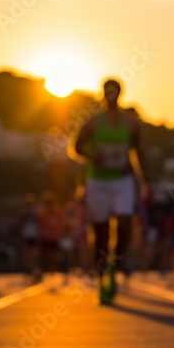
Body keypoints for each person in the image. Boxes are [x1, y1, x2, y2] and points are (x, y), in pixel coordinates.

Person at [71, 79, 152, 305]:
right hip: (98, 181)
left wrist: (145, 180)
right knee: (101, 233)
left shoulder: (131, 124)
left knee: (125, 224)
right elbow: (76, 147)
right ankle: (101, 279)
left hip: (122, 181)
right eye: (107, 91)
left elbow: (139, 152)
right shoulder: (93, 123)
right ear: (103, 94)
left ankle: (115, 265)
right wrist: (93, 155)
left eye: (115, 91)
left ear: (120, 93)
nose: (111, 94)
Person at [36, 190, 65, 280]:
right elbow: (40, 223)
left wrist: (59, 233)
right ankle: (43, 270)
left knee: (53, 254)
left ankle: (52, 268)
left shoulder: (57, 211)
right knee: (44, 255)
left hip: (53, 237)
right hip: (46, 237)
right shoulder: (43, 212)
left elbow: (60, 223)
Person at [19, 192, 41, 283]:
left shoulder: (35, 211)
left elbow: (39, 222)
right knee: (27, 253)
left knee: (33, 253)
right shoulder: (24, 212)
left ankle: (34, 269)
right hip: (27, 234)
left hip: (33, 234)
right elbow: (20, 223)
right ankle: (28, 269)